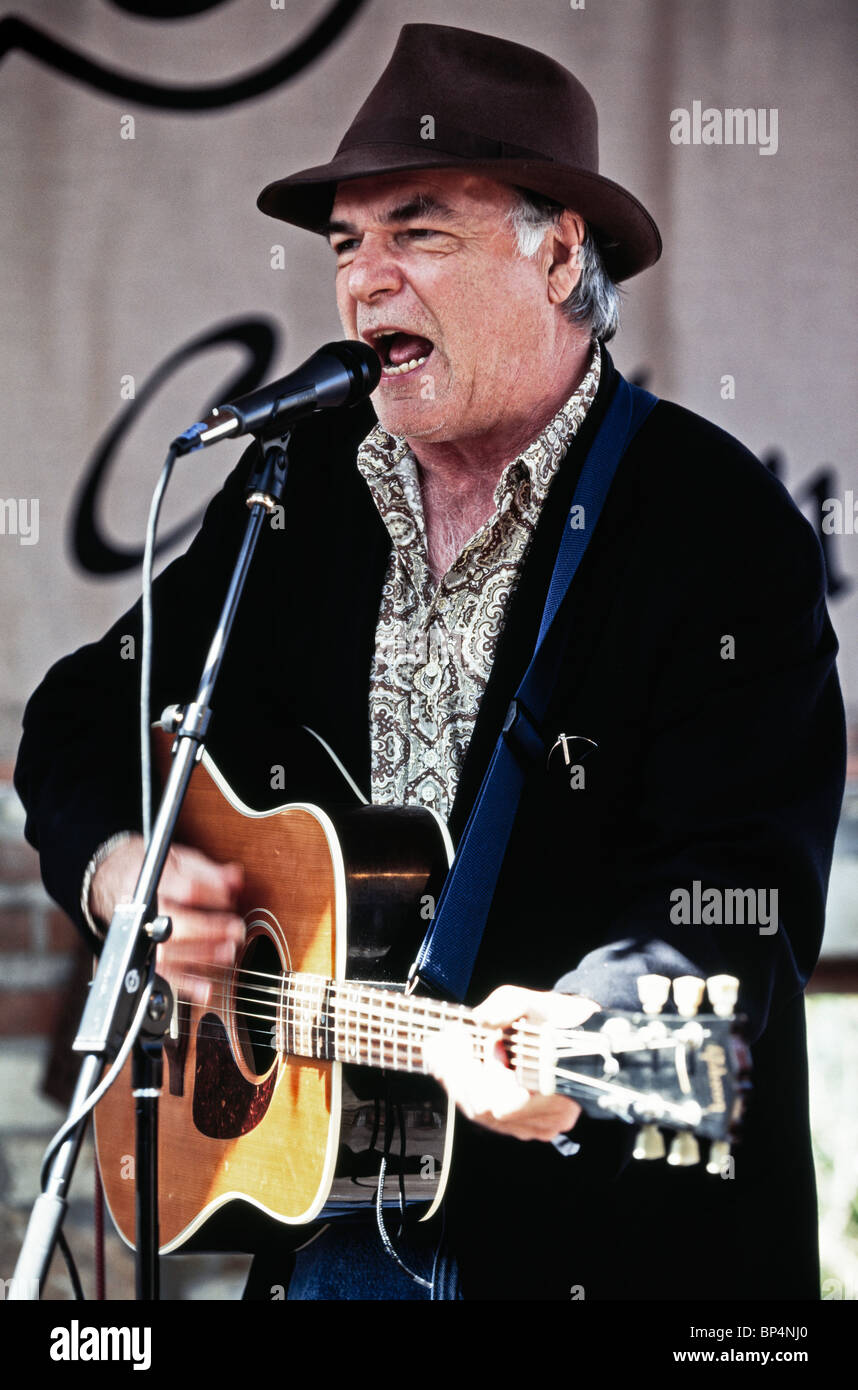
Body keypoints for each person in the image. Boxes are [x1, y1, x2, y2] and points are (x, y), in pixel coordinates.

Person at [14, 24, 845, 1301]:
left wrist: (593, 1025)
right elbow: (84, 712)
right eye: (348, 245)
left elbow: (737, 879)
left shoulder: (713, 531)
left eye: (419, 233)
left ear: (561, 250)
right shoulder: (300, 491)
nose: (366, 282)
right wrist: (129, 870)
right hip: (324, 1235)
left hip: (599, 1250)